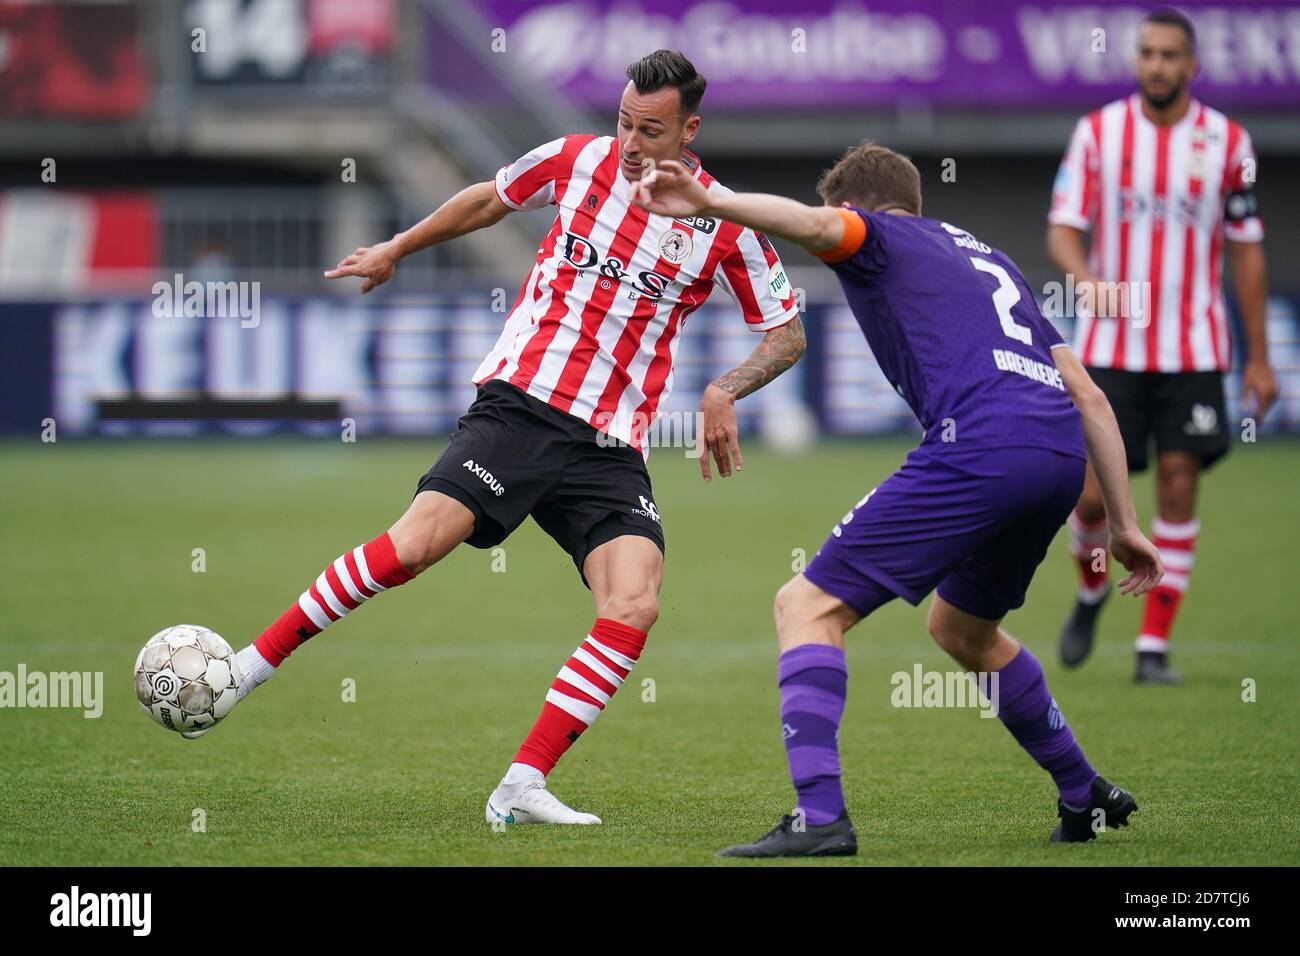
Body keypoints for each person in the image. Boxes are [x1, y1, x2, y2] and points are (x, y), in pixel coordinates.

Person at [192, 50, 805, 828]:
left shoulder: (726, 220)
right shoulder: (577, 160)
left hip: (610, 446)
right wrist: (396, 248)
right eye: (623, 121)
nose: (629, 142)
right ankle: (249, 667)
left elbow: (786, 333)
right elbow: (490, 199)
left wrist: (725, 389)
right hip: (522, 407)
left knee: (635, 601)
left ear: (689, 129)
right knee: (414, 548)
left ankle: (521, 784)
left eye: (649, 130)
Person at [630, 142, 1163, 857]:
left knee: (805, 605)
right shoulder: (989, 259)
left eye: (836, 217)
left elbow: (817, 230)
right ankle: (1084, 791)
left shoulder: (876, 236)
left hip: (982, 445)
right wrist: (1123, 524)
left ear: (855, 208)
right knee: (963, 630)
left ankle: (819, 818)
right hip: (1059, 457)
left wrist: (712, 201)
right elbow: (1090, 396)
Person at [1048, 7, 1277, 682]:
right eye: (1147, 53)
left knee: (1178, 486)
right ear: (1137, 61)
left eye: (1169, 55)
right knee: (1090, 499)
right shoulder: (1097, 134)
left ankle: (1153, 646)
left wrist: (1259, 355)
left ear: (1192, 66)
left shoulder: (1229, 143)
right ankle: (1091, 593)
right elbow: (1063, 227)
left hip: (1194, 347)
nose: (1156, 65)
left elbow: (1247, 250)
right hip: (1110, 349)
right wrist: (1086, 281)